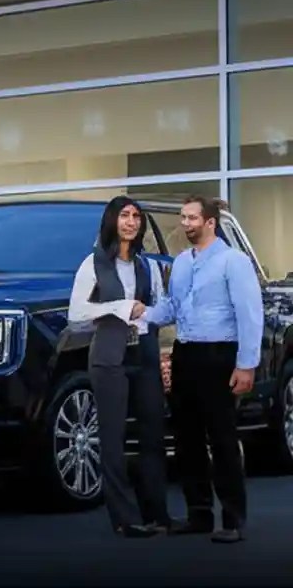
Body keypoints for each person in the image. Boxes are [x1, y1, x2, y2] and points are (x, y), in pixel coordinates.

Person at [145, 196, 263, 544]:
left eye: (192, 218)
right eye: (183, 217)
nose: (185, 224)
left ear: (210, 222)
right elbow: (172, 306)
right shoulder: (181, 263)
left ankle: (233, 520)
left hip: (220, 355)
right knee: (186, 439)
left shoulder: (233, 262)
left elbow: (250, 315)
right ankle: (198, 515)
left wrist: (246, 365)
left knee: (223, 438)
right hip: (186, 354)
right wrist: (143, 315)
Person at [66, 196, 171, 538]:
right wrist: (120, 307)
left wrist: (158, 336)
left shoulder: (147, 266)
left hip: (144, 354)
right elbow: (76, 314)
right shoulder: (92, 264)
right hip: (108, 358)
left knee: (153, 434)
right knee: (113, 437)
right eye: (124, 215)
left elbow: (156, 310)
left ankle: (157, 514)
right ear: (112, 220)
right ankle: (125, 519)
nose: (131, 222)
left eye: (136, 216)